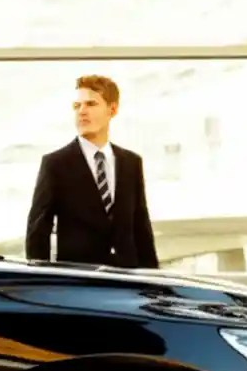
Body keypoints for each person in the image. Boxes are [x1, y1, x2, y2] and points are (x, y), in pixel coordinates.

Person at [25, 74, 159, 269]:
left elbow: (142, 229)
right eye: (76, 106)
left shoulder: (131, 163)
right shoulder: (55, 164)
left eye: (91, 104)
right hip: (79, 284)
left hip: (128, 282)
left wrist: (154, 286)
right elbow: (37, 234)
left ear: (112, 110)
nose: (82, 112)